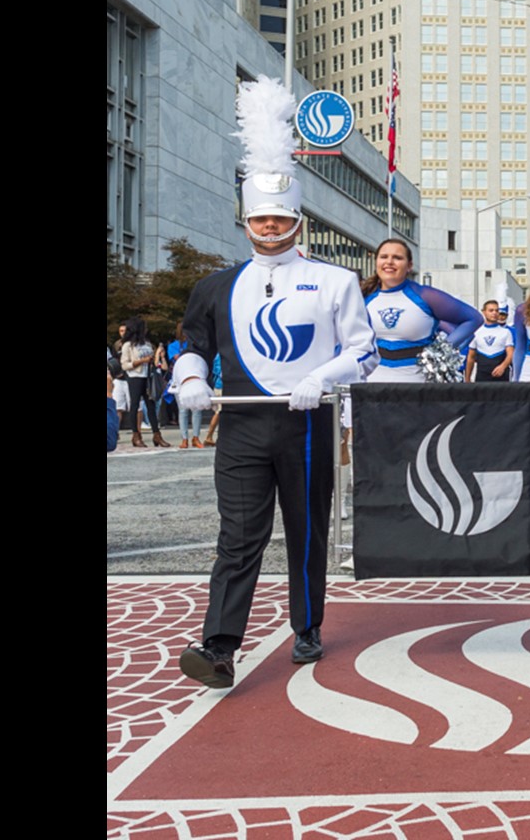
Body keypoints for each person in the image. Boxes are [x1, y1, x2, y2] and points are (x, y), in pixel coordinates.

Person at [167, 75, 378, 690]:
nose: (268, 226)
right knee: (238, 536)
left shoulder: (335, 280)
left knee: (306, 533)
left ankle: (307, 624)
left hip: (305, 422)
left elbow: (363, 352)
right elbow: (193, 345)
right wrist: (188, 380)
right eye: (259, 217)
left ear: (296, 220)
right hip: (240, 423)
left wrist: (320, 378)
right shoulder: (215, 285)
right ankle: (219, 645)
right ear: (245, 220)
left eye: (279, 217)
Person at [361, 238, 482, 382]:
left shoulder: (426, 296)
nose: (389, 262)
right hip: (371, 383)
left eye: (397, 258)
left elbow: (474, 318)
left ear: (409, 265)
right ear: (376, 262)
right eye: (384, 257)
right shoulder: (363, 297)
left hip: (417, 384)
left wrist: (441, 351)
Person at [119, 317, 170, 449]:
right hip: (134, 376)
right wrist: (141, 361)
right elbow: (125, 365)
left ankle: (157, 434)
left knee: (151, 406)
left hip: (147, 376)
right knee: (134, 406)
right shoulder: (128, 345)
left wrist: (157, 356)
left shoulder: (146, 344)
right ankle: (136, 435)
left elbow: (152, 361)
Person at [167, 321, 205, 449]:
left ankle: (196, 437)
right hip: (180, 380)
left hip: (195, 377)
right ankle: (184, 438)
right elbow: (178, 358)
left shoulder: (196, 345)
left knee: (197, 409)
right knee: (183, 410)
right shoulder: (173, 346)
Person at [464, 299, 514, 382]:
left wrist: (503, 366)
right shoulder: (476, 332)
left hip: (501, 377)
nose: (494, 313)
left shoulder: (506, 332)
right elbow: (471, 357)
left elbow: (511, 354)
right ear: (484, 312)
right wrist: (467, 378)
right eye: (491, 310)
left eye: (496, 310)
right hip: (482, 377)